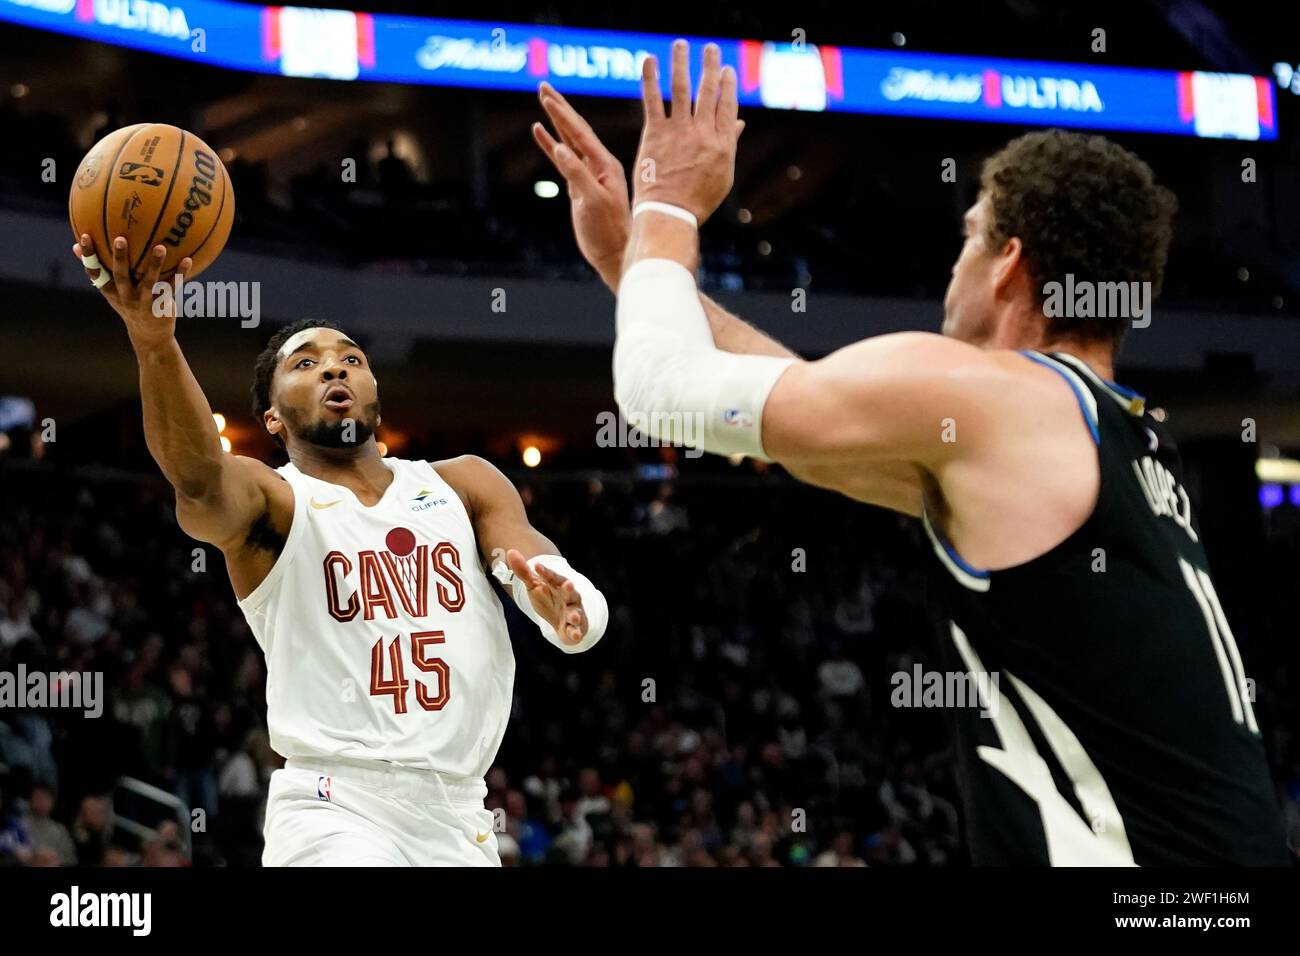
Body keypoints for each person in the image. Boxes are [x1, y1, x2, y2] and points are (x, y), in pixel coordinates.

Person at [533, 40, 1290, 865]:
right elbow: (810, 429)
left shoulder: (996, 395)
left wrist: (668, 209)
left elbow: (659, 390)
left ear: (1009, 265)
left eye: (969, 235)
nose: (954, 263)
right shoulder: (1110, 431)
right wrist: (629, 265)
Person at [70, 233, 609, 866]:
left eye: (350, 358)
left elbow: (529, 558)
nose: (332, 367)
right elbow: (199, 478)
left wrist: (570, 606)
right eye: (305, 363)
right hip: (335, 807)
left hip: (461, 814)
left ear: (375, 388)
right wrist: (154, 343)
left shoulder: (463, 482)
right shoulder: (275, 504)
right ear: (272, 418)